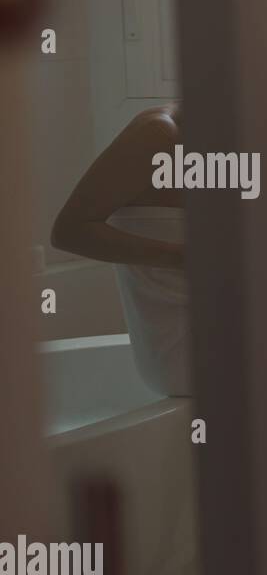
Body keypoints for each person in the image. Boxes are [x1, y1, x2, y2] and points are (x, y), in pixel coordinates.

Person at [51, 105, 191, 396]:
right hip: (183, 354)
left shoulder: (232, 146)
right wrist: (183, 258)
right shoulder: (157, 135)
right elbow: (69, 231)